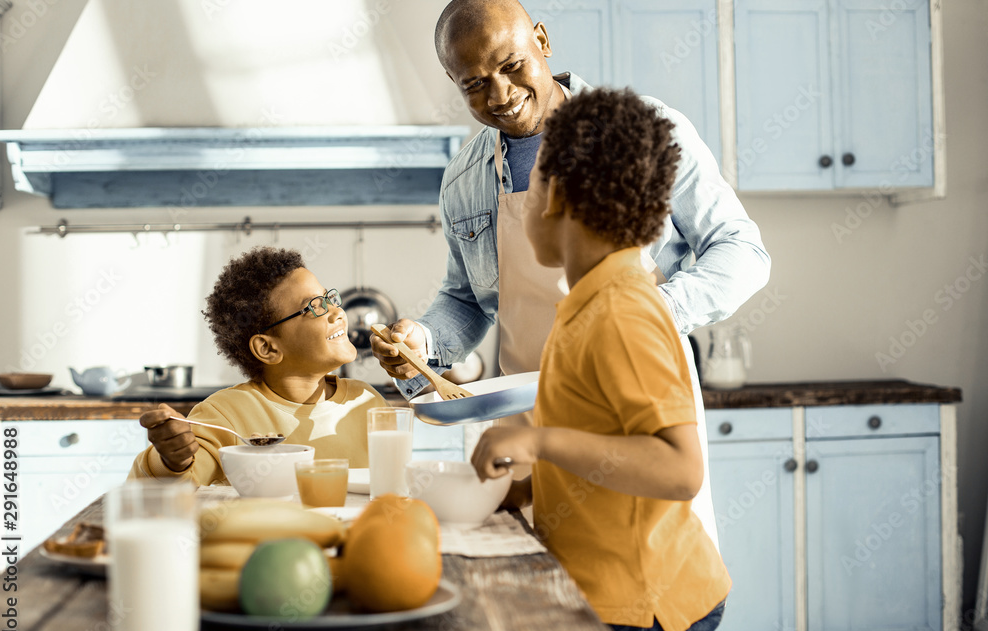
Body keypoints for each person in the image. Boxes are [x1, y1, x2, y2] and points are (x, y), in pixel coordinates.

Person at [370, 0, 770, 547]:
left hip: (629, 405)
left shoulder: (641, 134)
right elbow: (465, 299)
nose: (500, 96)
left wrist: (650, 314)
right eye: (474, 84)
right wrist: (423, 340)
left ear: (542, 40)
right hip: (527, 425)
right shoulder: (463, 179)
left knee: (638, 573)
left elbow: (740, 247)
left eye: (511, 66)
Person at [471, 86, 730, 631]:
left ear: (555, 192)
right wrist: (524, 484)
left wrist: (538, 441)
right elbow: (598, 435)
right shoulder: (589, 302)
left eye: (530, 184)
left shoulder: (621, 312)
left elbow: (680, 468)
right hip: (611, 590)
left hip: (640, 605)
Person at [130, 246, 386, 483]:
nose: (337, 312)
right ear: (268, 348)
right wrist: (173, 460)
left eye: (328, 298)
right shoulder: (225, 414)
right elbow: (178, 483)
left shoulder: (367, 401)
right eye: (313, 307)